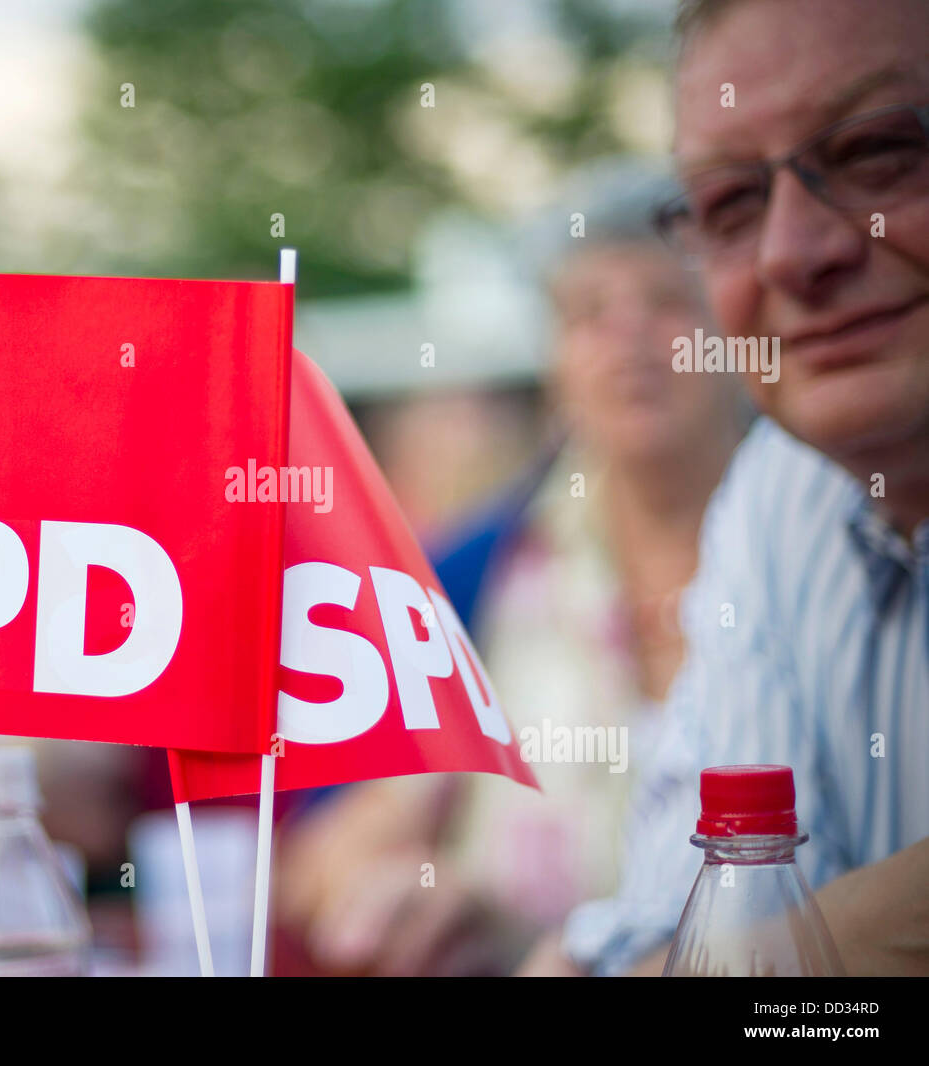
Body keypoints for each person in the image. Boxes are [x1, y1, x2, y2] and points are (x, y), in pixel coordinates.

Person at [523, 0, 929, 977]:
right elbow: (672, 923)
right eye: (730, 204)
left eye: (877, 150)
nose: (797, 249)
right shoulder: (780, 500)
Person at [273, 167, 745, 976]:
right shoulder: (477, 568)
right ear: (553, 360)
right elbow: (318, 862)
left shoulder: (830, 547)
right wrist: (396, 891)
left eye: (667, 302)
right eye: (588, 313)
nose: (629, 337)